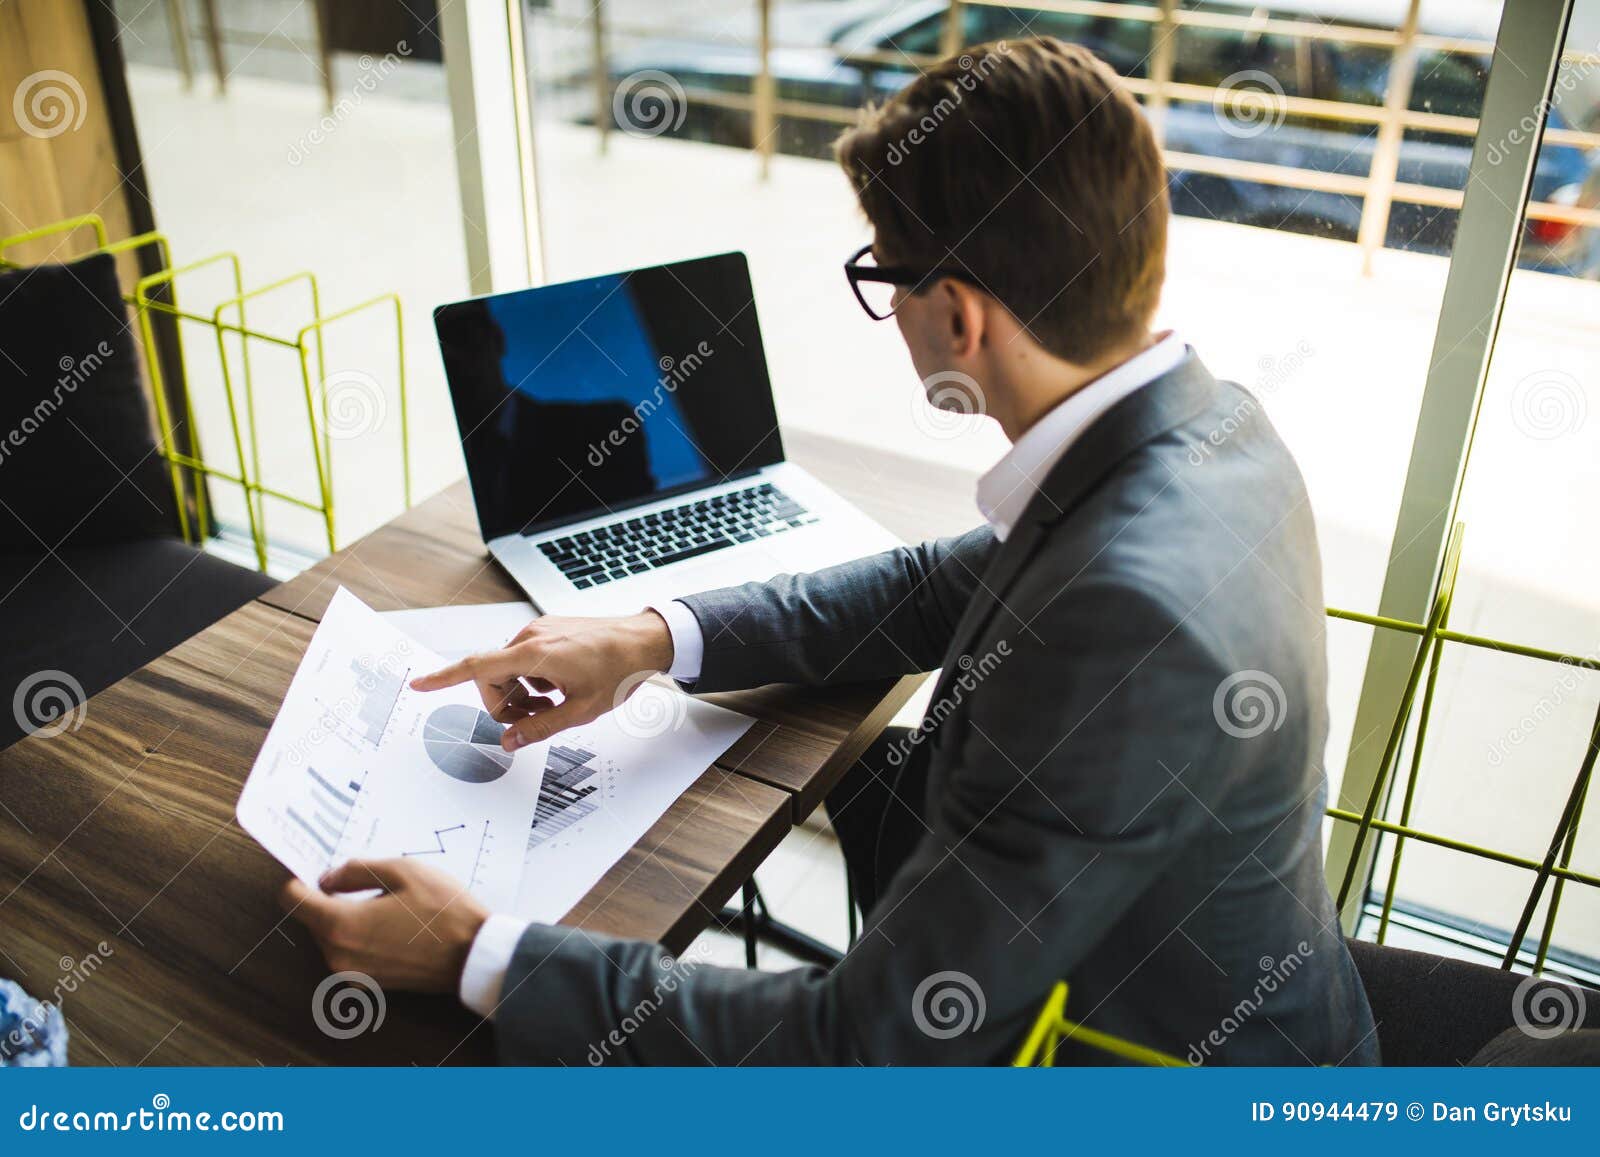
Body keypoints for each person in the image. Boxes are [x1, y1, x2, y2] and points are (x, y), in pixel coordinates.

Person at [283, 37, 1379, 1066]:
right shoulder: (1206, 429)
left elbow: (855, 1047)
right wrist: (647, 637)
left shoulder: (1122, 615)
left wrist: (479, 953)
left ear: (957, 318)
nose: (883, 306)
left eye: (881, 275)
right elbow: (928, 586)